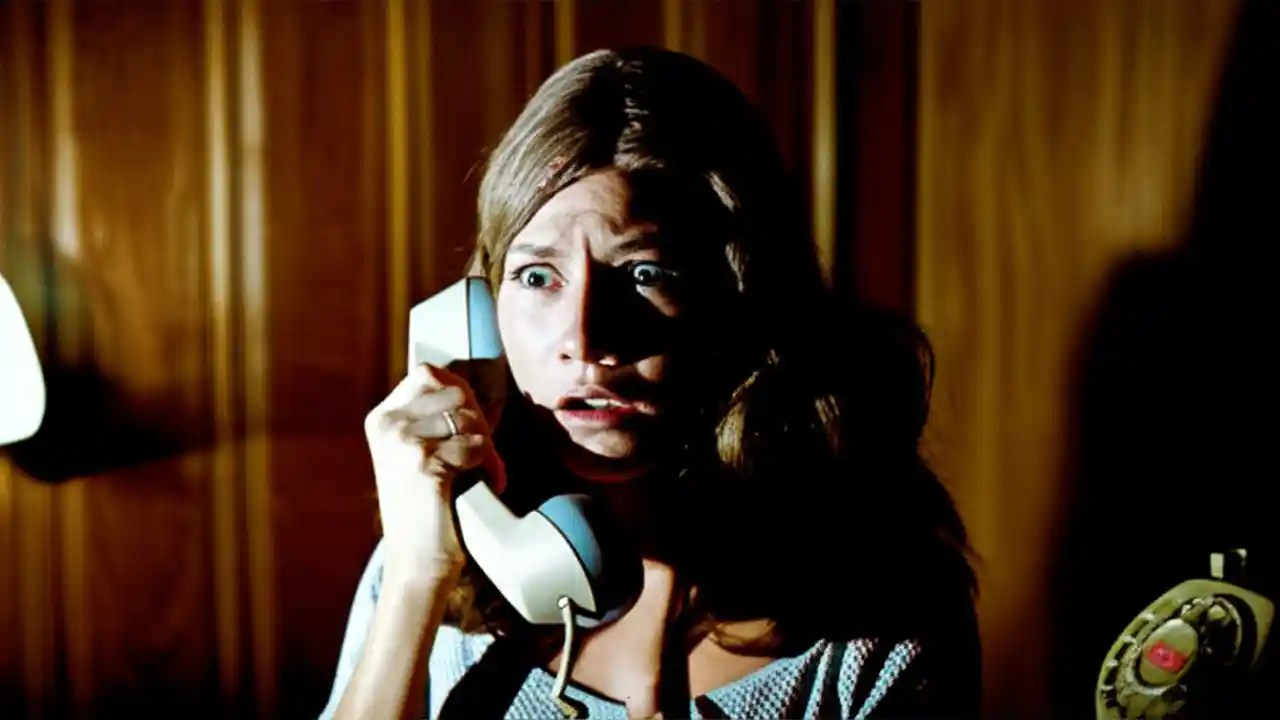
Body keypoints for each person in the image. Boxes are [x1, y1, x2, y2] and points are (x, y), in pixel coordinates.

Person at [319, 46, 981, 719]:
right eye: (538, 277)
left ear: (743, 296)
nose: (583, 340)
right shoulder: (429, 565)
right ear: (482, 315)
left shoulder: (881, 615)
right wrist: (414, 579)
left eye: (644, 274)